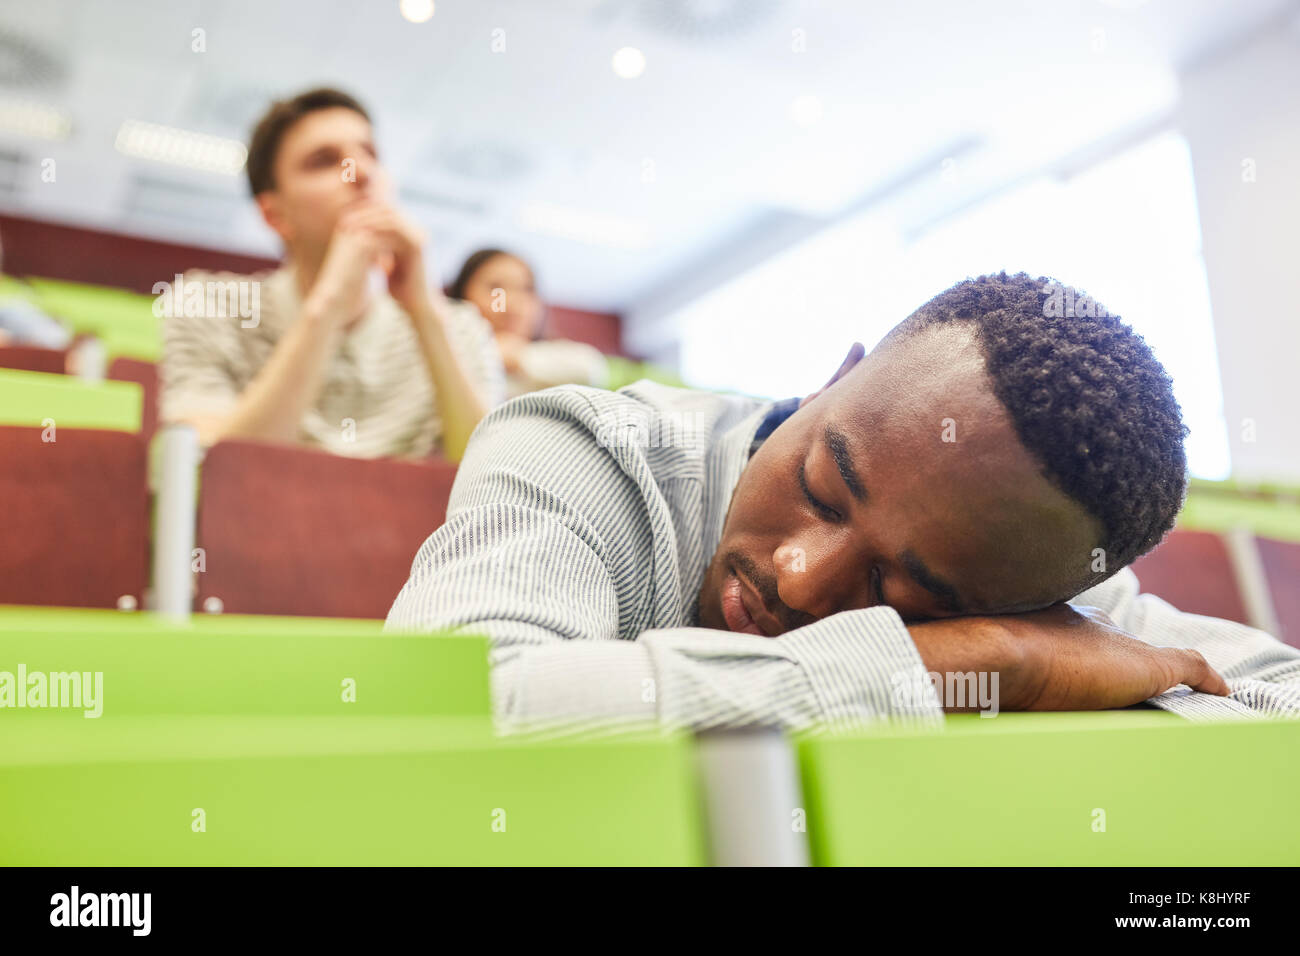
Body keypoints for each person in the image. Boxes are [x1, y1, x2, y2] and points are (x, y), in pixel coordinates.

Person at [386, 272, 1300, 731]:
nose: (796, 576)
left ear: (1052, 603)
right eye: (825, 485)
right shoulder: (584, 448)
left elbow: (1282, 702)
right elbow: (445, 718)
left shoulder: (1063, 594)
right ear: (835, 379)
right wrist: (979, 661)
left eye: (909, 592)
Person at [159, 88, 504, 461]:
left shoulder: (459, 327)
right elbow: (206, 479)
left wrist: (428, 318)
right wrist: (326, 309)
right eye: (323, 161)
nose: (362, 174)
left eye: (370, 153)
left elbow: (493, 488)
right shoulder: (209, 306)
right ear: (275, 215)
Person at [449, 248, 607, 399]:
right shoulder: (445, 354)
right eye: (495, 288)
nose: (512, 304)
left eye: (526, 289)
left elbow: (592, 370)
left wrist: (515, 357)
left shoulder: (565, 359)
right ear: (462, 296)